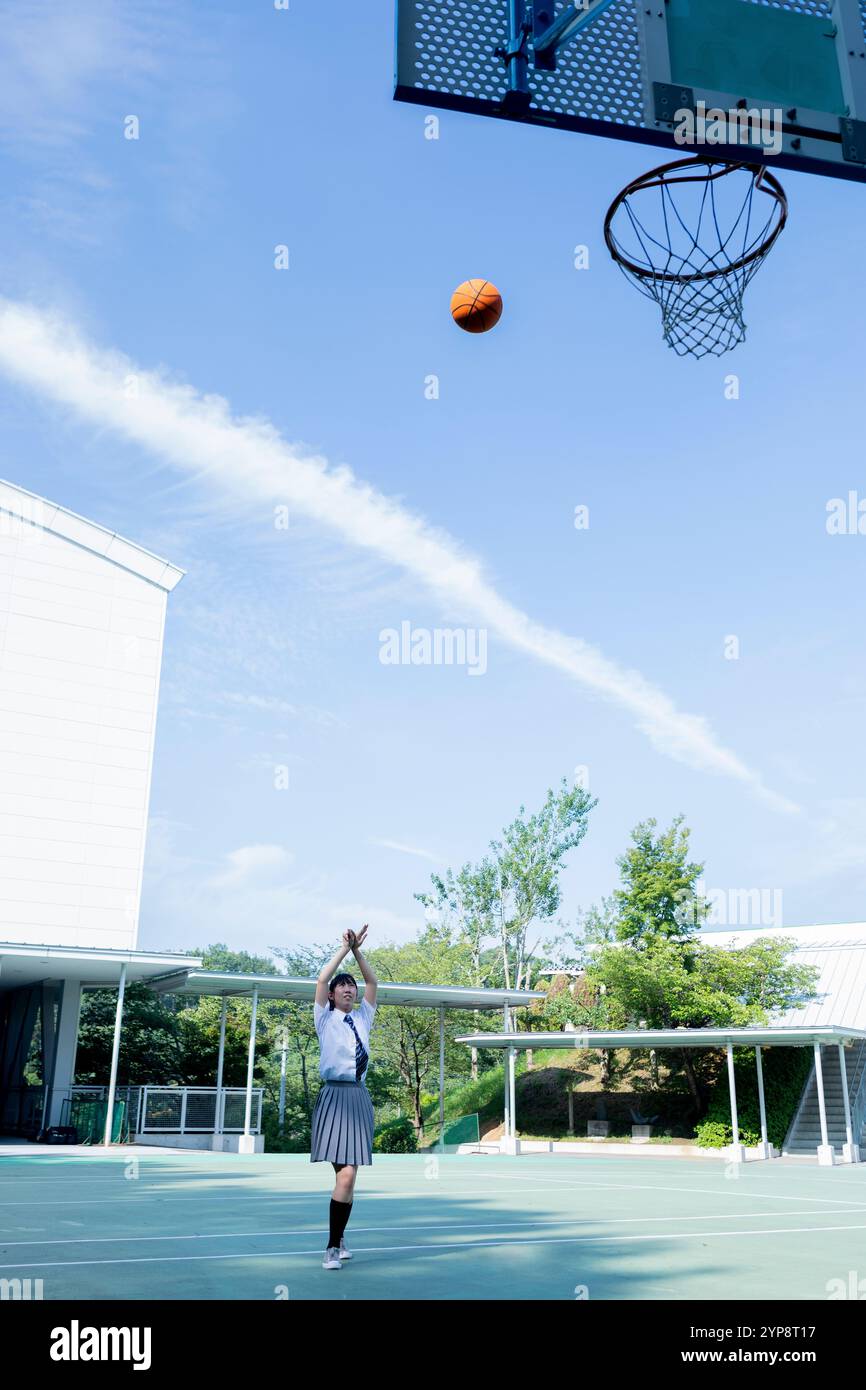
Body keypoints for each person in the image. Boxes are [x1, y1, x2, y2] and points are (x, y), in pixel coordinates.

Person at [311, 925, 378, 1270]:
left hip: (358, 1098)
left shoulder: (364, 1015)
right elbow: (321, 981)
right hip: (334, 1098)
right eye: (342, 987)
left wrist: (358, 952)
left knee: (349, 1179)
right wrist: (342, 949)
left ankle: (339, 1239)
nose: (348, 990)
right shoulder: (325, 1018)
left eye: (351, 986)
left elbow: (373, 984)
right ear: (334, 996)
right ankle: (331, 1247)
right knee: (346, 1175)